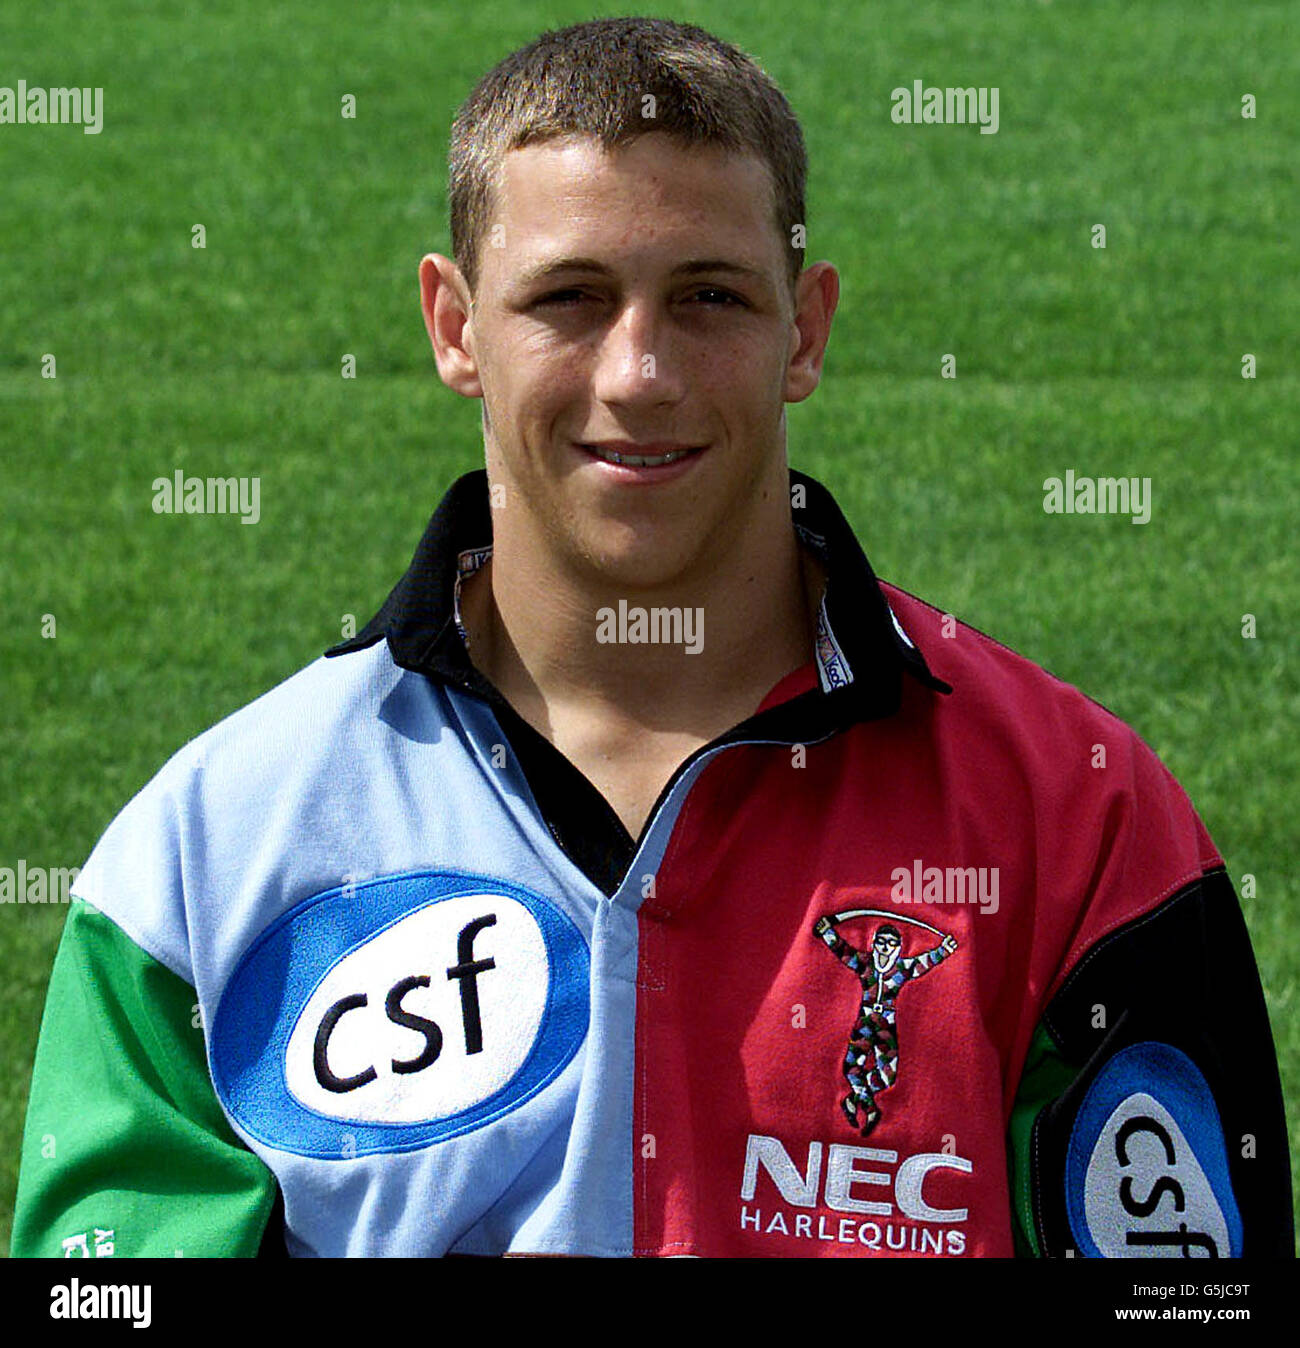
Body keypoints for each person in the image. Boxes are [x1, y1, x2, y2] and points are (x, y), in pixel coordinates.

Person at [12, 16, 1292, 1259]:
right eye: (570, 297)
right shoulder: (210, 851)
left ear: (807, 328)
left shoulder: (1080, 822)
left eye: (710, 297)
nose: (640, 373)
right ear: (456, 327)